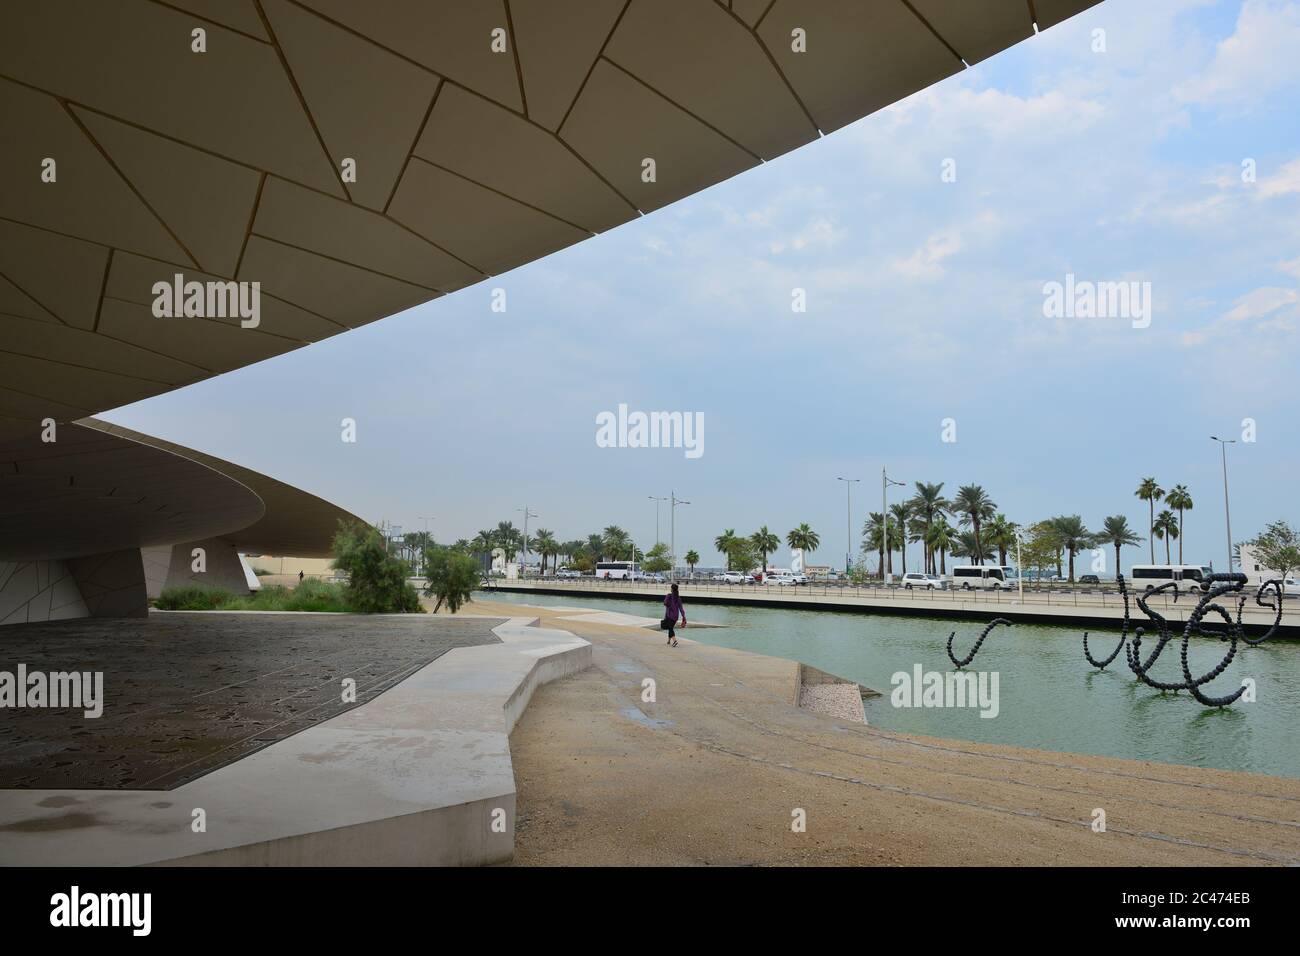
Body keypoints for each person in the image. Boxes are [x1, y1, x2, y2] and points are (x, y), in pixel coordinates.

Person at [662, 583, 686, 648]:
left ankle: (675, 641)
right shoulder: (678, 598)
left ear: (672, 589)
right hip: (675, 617)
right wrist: (684, 617)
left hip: (669, 615)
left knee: (670, 628)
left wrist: (668, 603)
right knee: (671, 628)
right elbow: (681, 608)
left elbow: (665, 603)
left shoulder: (669, 596)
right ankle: (669, 641)